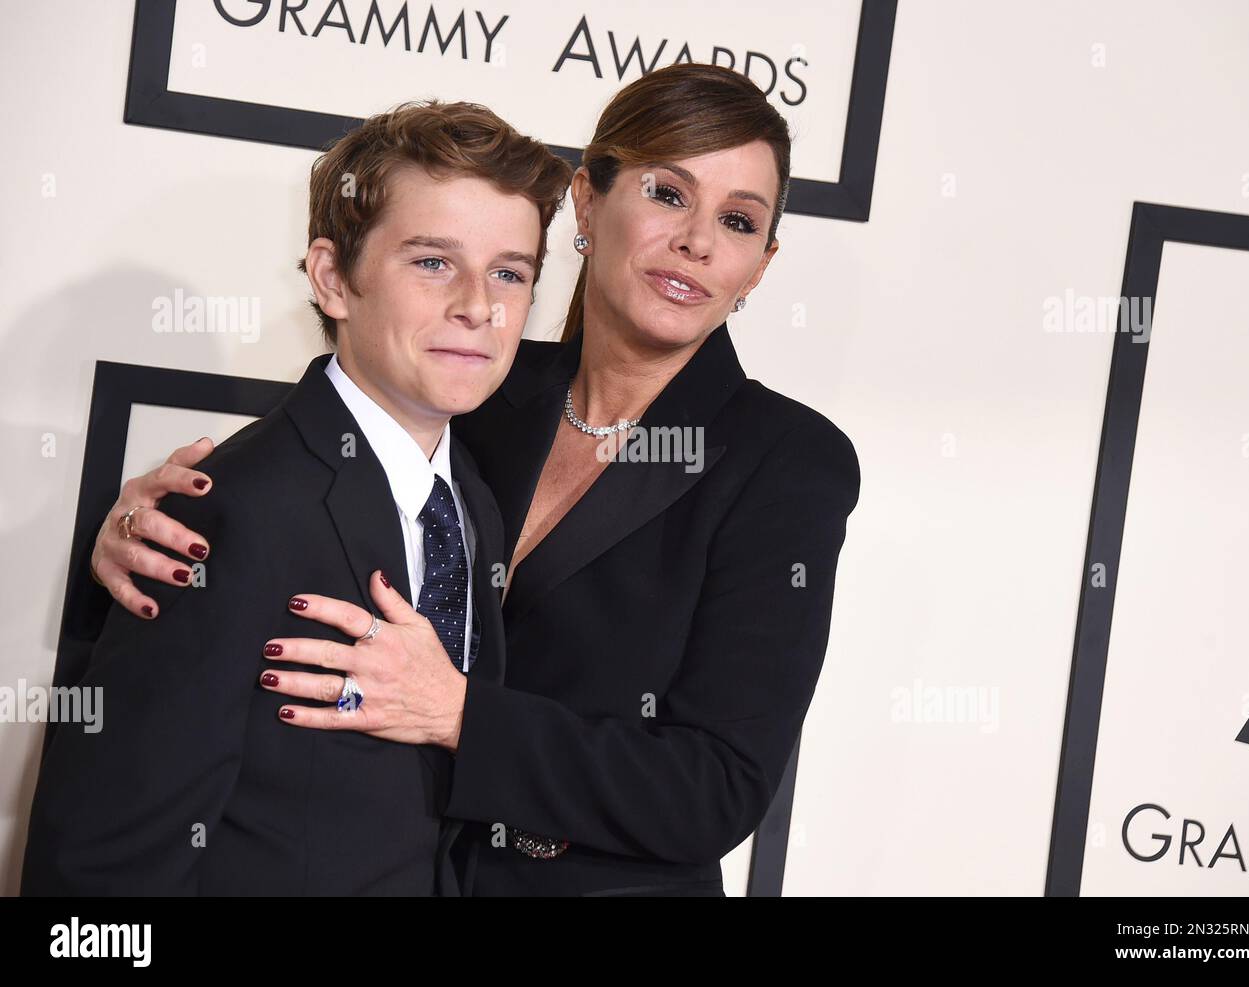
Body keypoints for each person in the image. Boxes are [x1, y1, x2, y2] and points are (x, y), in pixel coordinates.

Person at [68, 64, 860, 896]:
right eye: (669, 194)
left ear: (761, 266)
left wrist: (459, 715)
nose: (698, 241)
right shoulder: (475, 384)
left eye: (738, 220)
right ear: (587, 205)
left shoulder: (785, 461)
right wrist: (144, 531)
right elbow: (294, 498)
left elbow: (716, 788)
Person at [21, 100, 572, 894]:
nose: (478, 305)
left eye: (509, 272)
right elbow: (101, 865)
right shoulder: (225, 512)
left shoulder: (474, 506)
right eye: (431, 261)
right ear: (332, 278)